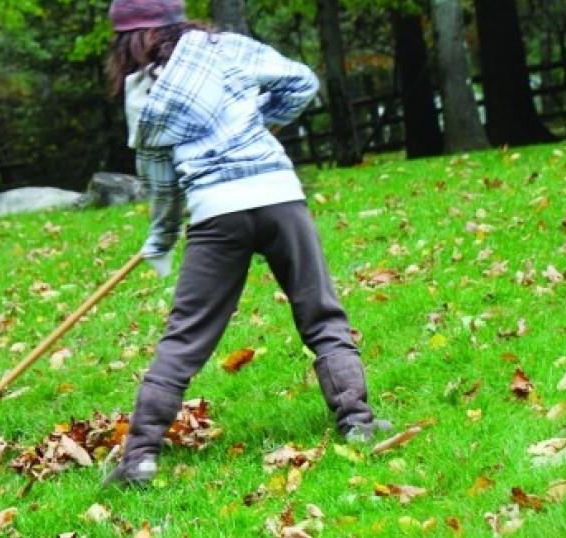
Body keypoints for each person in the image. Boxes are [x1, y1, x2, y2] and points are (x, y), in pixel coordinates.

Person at [103, 0, 390, 487]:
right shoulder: (224, 48)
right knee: (321, 314)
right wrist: (255, 121)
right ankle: (358, 423)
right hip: (279, 196)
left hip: (218, 212)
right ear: (177, 18)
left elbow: (163, 181)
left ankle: (140, 459)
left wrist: (161, 238)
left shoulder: (141, 93)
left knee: (186, 337)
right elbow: (302, 81)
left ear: (126, 41)